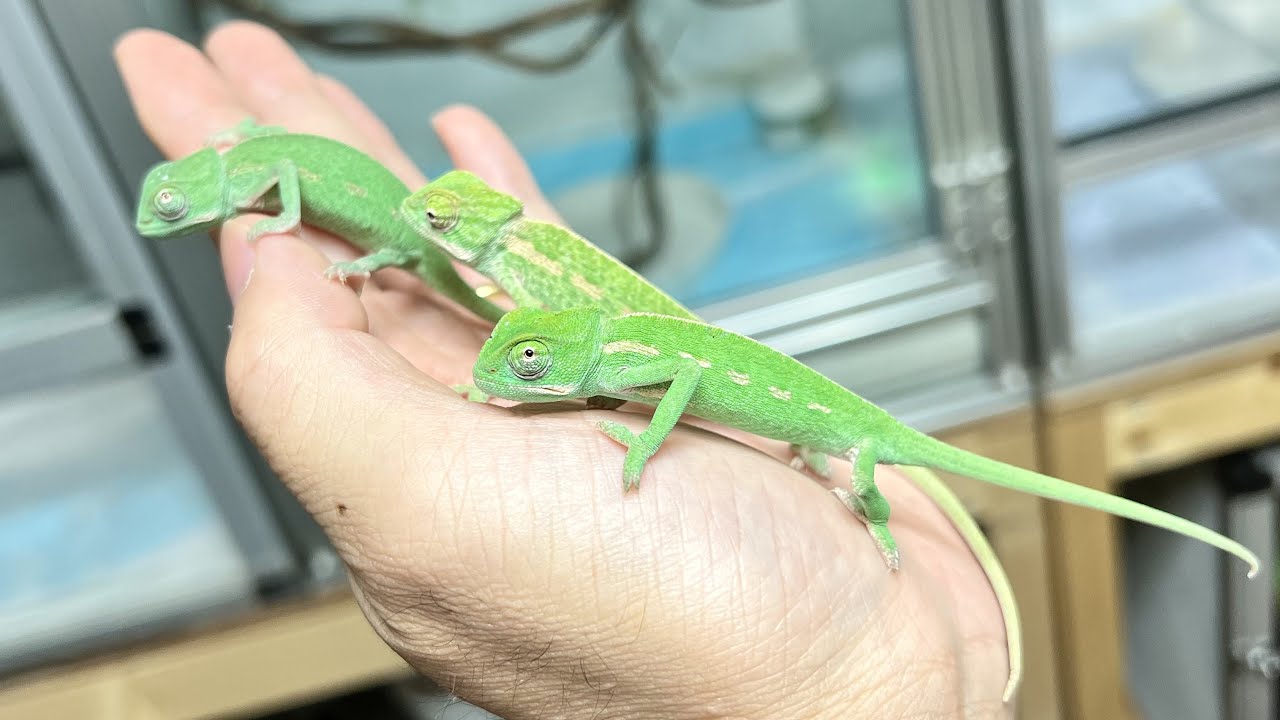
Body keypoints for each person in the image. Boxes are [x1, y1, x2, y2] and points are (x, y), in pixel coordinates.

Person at [113, 20, 1011, 719]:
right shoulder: (491, 261)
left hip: (638, 335)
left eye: (439, 227)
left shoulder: (509, 262)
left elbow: (578, 315)